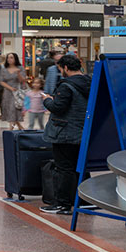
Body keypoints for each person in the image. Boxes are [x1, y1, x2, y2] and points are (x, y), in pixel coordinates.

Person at [41, 54, 91, 214]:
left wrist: (47, 100)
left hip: (64, 133)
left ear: (66, 68)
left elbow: (58, 108)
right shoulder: (90, 83)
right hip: (84, 131)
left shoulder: (66, 85)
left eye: (61, 69)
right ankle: (85, 200)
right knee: (81, 167)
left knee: (64, 168)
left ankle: (63, 203)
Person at [0, 52, 25, 130]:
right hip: (7, 92)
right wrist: (10, 88)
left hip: (17, 92)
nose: (9, 59)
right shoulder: (4, 69)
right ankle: (20, 127)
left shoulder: (20, 68)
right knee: (10, 110)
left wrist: (18, 74)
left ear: (15, 59)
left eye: (11, 57)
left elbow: (22, 80)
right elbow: (1, 81)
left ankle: (11, 128)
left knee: (14, 109)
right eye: (8, 58)